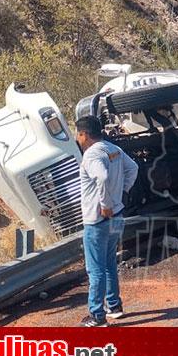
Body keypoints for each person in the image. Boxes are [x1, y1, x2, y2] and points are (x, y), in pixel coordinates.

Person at [75, 116, 138, 327]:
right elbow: (133, 168)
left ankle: (97, 315)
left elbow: (101, 177)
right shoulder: (113, 149)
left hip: (97, 220)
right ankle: (114, 306)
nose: (77, 138)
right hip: (117, 217)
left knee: (96, 269)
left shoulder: (91, 155)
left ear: (84, 134)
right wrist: (124, 191)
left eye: (78, 134)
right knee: (110, 263)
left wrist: (105, 203)